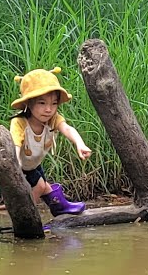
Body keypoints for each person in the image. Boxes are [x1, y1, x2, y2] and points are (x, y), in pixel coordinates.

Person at [8, 67, 91, 216]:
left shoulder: (53, 120)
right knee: (40, 186)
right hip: (20, 165)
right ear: (28, 103)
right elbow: (16, 143)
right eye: (42, 103)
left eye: (54, 104)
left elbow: (67, 129)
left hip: (34, 164)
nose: (48, 109)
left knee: (46, 187)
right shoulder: (20, 122)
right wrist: (16, 165)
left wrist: (80, 144)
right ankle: (26, 215)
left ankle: (59, 207)